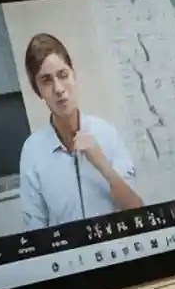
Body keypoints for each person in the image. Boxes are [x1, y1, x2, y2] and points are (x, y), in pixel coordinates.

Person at [19, 33, 143, 229]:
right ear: (38, 90)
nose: (59, 88)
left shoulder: (106, 133)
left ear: (73, 75)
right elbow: (35, 231)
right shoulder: (32, 151)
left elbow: (137, 210)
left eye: (63, 75)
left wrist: (103, 165)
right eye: (46, 80)